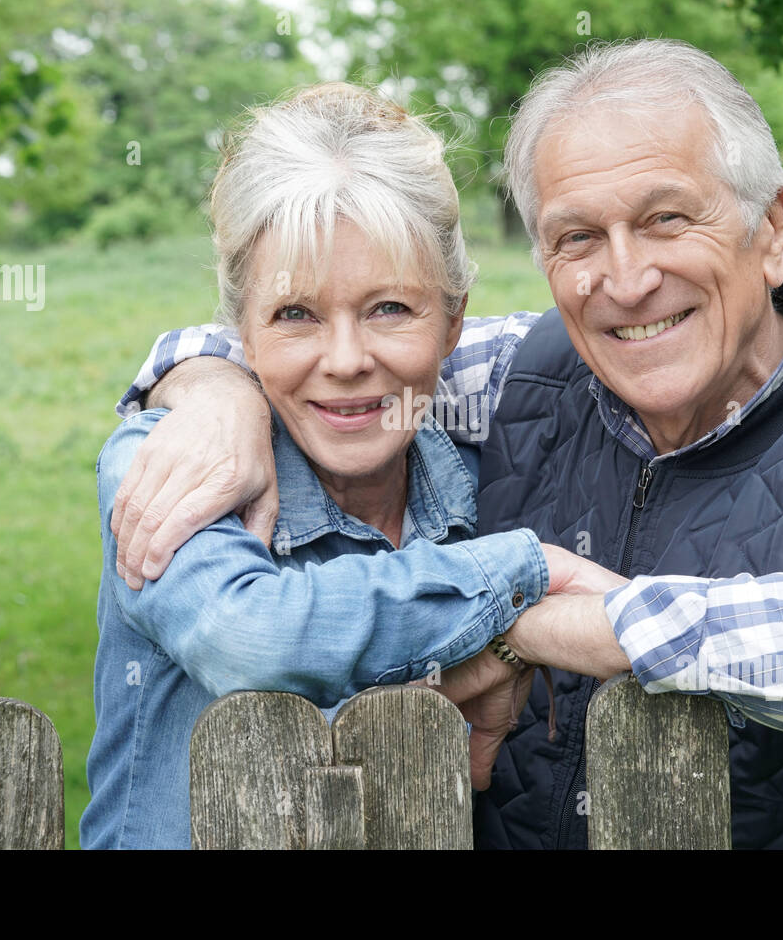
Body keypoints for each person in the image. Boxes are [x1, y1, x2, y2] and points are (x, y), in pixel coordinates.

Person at [109, 40, 783, 850]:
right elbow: (337, 355)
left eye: (666, 219)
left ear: (770, 227)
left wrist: (536, 621)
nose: (627, 278)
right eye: (579, 236)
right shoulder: (524, 375)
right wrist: (209, 384)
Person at [80, 82, 621, 849]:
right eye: (295, 314)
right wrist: (524, 574)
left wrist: (510, 636)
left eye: (389, 308)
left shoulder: (481, 467)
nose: (345, 360)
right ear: (242, 332)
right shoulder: (169, 459)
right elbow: (251, 638)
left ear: (453, 320)